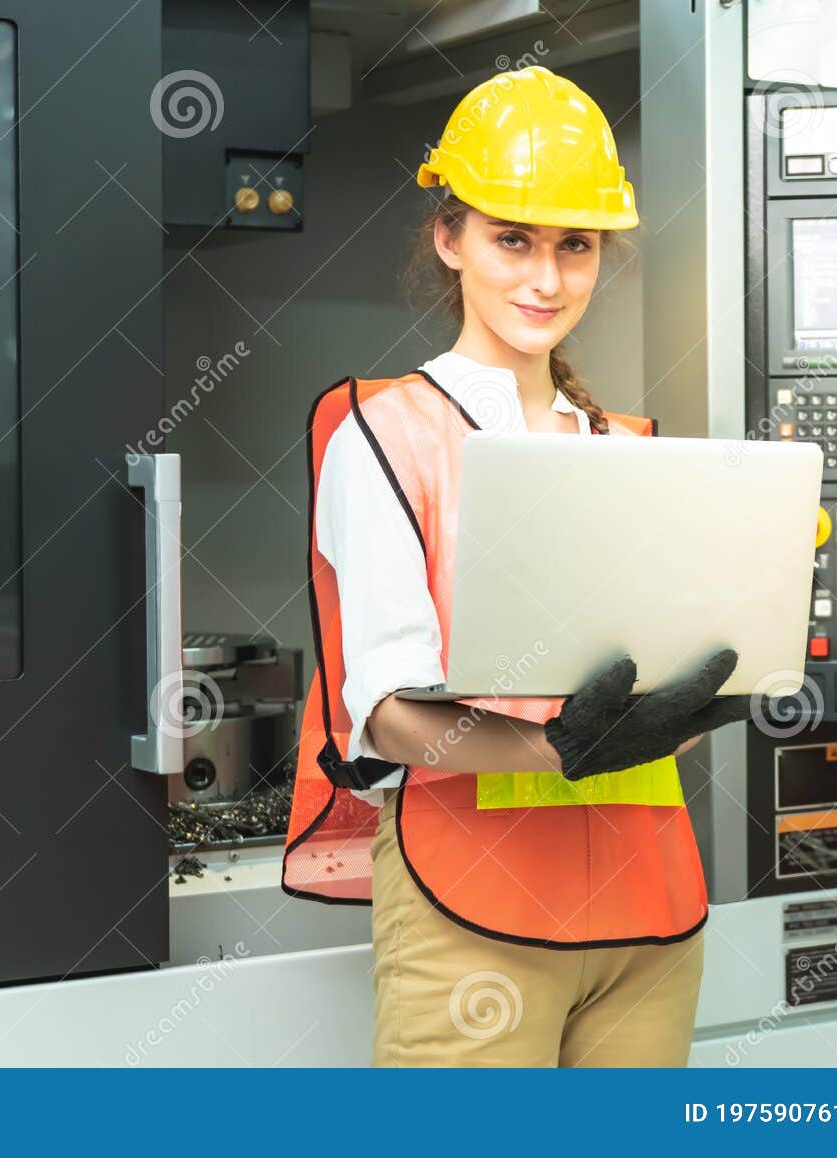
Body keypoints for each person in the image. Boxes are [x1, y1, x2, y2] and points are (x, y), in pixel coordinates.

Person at [280, 66, 751, 1067]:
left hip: (646, 912)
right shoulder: (382, 434)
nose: (545, 280)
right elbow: (385, 713)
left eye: (574, 246)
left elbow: (651, 685)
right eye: (512, 239)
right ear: (448, 239)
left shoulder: (631, 447)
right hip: (473, 913)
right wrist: (555, 751)